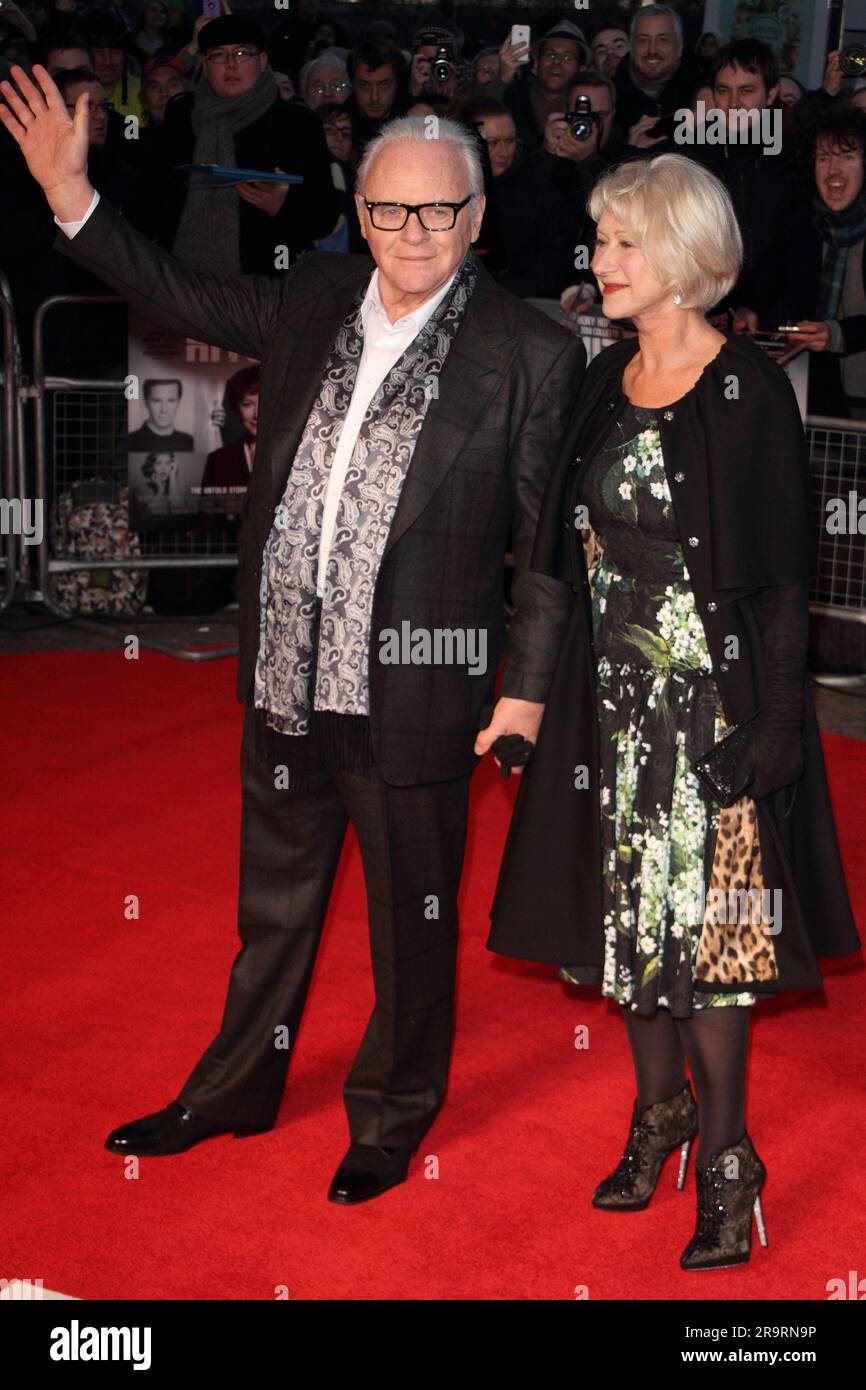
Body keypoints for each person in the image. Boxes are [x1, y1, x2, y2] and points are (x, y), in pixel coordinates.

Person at [0, 67, 586, 1202]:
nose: (410, 231)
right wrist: (72, 198)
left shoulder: (528, 351)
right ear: (358, 212)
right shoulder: (312, 295)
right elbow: (170, 286)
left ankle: (391, 1112)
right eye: (386, 207)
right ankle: (234, 1088)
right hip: (281, 670)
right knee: (271, 908)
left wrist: (522, 688)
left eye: (435, 209)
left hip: (419, 687)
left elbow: (545, 542)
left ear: (473, 216)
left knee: (411, 921)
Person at [487, 153, 860, 1270]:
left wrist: (779, 724)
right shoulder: (602, 377)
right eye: (598, 240)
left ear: (685, 257)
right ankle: (660, 1117)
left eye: (623, 243)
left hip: (715, 711)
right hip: (609, 712)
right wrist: (524, 698)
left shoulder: (743, 390)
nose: (598, 261)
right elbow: (555, 553)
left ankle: (732, 1153)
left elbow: (785, 577)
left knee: (713, 941)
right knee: (623, 927)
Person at [124, 378, 193, 451]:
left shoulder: (189, 442)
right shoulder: (130, 442)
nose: (164, 410)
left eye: (171, 400)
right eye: (157, 401)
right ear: (146, 402)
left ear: (178, 402)